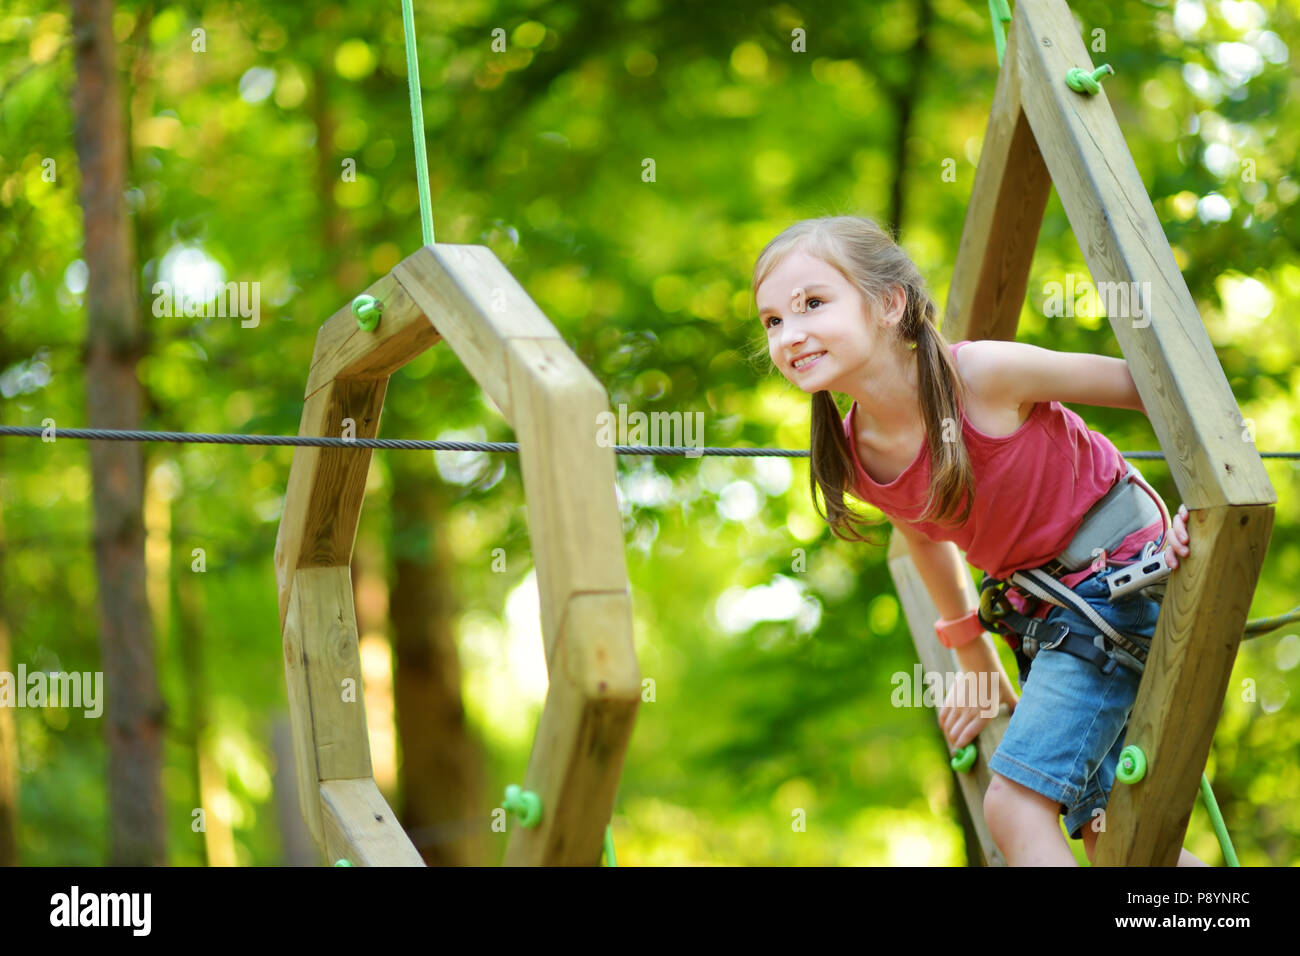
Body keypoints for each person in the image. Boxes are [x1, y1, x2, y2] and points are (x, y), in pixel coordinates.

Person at [752, 215, 1203, 866]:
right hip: (1050, 611)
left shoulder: (984, 376)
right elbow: (923, 529)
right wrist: (974, 658)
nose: (789, 334)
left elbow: (1163, 391)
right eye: (772, 322)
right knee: (1120, 841)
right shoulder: (856, 454)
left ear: (888, 304)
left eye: (812, 305)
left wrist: (1202, 511)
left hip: (1119, 575)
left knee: (1014, 808)